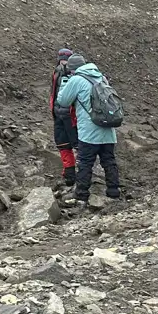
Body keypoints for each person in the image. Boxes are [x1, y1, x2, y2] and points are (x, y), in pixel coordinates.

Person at [55, 54, 121, 203]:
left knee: (85, 162)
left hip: (89, 131)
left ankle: (81, 193)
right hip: (108, 129)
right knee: (109, 160)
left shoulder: (76, 80)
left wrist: (65, 83)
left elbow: (63, 101)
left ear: (72, 69)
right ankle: (113, 191)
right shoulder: (101, 77)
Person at [49, 48, 79, 186]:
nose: (64, 62)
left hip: (66, 114)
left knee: (67, 144)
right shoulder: (60, 72)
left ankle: (72, 173)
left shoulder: (60, 72)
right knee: (66, 144)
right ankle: (71, 173)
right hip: (65, 114)